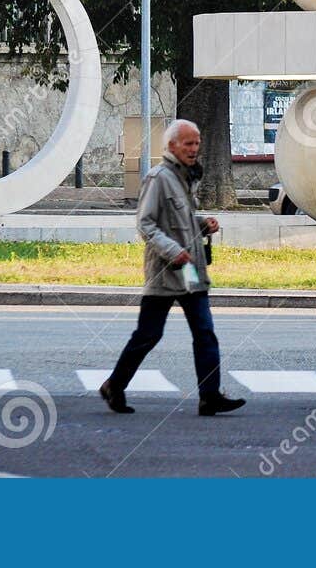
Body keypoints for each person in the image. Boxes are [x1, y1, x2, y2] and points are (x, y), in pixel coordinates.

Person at [100, 119, 246, 417]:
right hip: (165, 271)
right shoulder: (158, 178)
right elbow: (146, 224)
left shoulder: (185, 178)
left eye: (197, 143)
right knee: (148, 335)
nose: (194, 149)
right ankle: (114, 385)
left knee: (205, 332)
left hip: (190, 270)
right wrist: (173, 251)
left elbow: (180, 221)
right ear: (171, 146)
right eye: (188, 143)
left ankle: (210, 396)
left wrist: (203, 225)